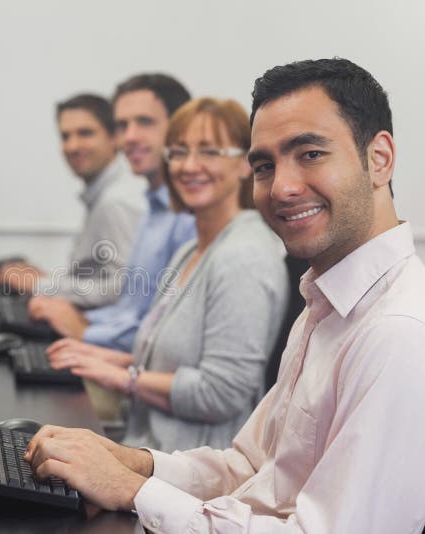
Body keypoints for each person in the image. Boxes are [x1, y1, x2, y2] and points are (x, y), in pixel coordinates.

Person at [24, 58, 425, 532]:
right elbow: (248, 467)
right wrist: (136, 464)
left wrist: (133, 492)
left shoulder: (399, 334)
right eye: (265, 165)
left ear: (379, 158)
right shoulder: (324, 305)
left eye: (310, 154)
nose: (281, 186)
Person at [45, 97, 289, 453]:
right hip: (149, 447)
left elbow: (221, 394)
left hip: (194, 469)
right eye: (178, 152)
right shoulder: (192, 250)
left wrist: (125, 378)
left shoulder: (244, 256)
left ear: (243, 164)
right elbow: (176, 360)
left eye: (209, 152)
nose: (189, 165)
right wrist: (112, 360)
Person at [28, 74, 196, 353]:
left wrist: (86, 329)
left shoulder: (185, 217)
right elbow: (132, 312)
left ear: (181, 127)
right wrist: (83, 321)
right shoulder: (153, 207)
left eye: (144, 122)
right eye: (122, 125)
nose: (129, 137)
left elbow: (169, 335)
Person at [0, 94, 146, 309]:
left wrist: (41, 285)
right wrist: (51, 281)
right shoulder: (104, 193)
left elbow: (121, 288)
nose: (72, 146)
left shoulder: (116, 201)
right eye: (65, 136)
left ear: (115, 137)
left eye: (85, 133)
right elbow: (99, 276)